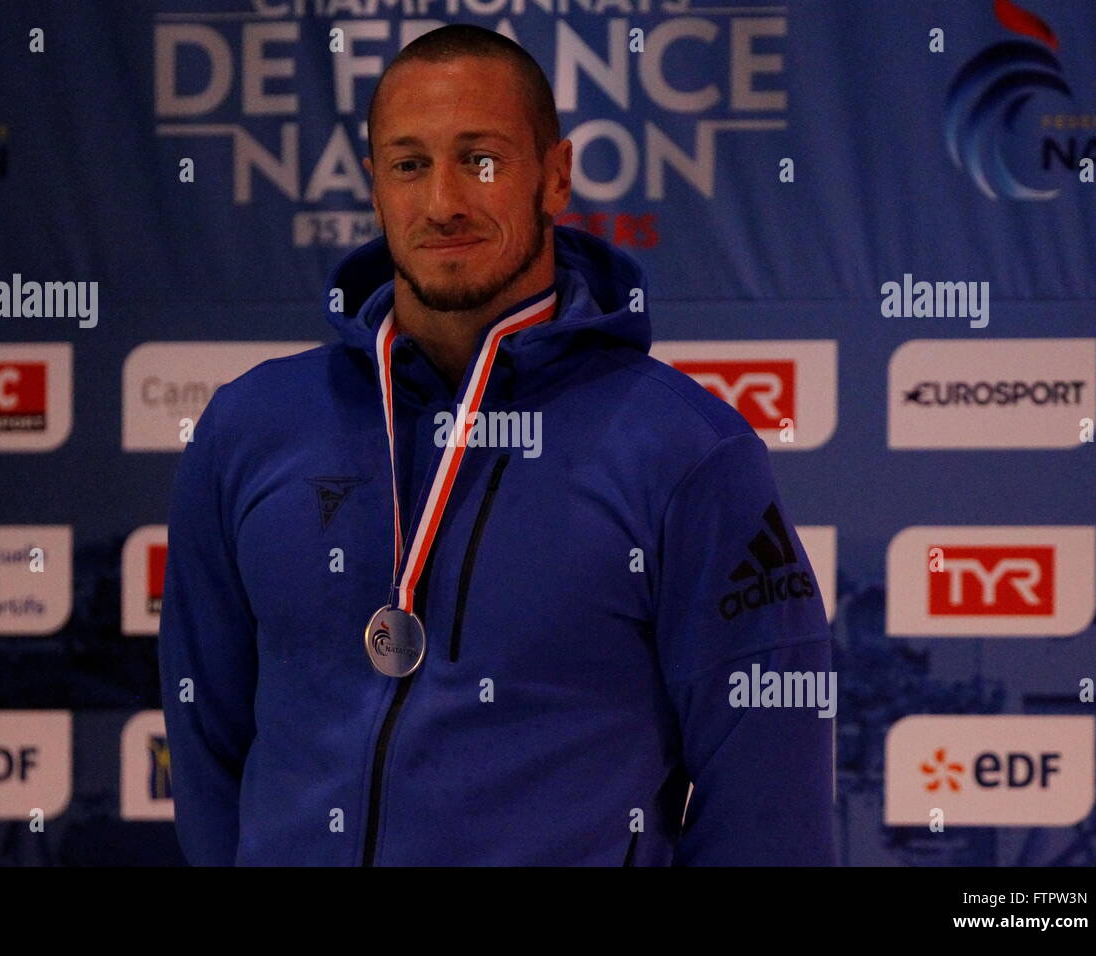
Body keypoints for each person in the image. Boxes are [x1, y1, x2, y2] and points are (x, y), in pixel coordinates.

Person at [159, 23, 835, 866]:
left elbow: (771, 808)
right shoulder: (249, 427)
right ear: (375, 185)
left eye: (480, 160)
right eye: (409, 164)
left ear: (555, 177)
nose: (443, 201)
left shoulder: (688, 453)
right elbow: (206, 747)